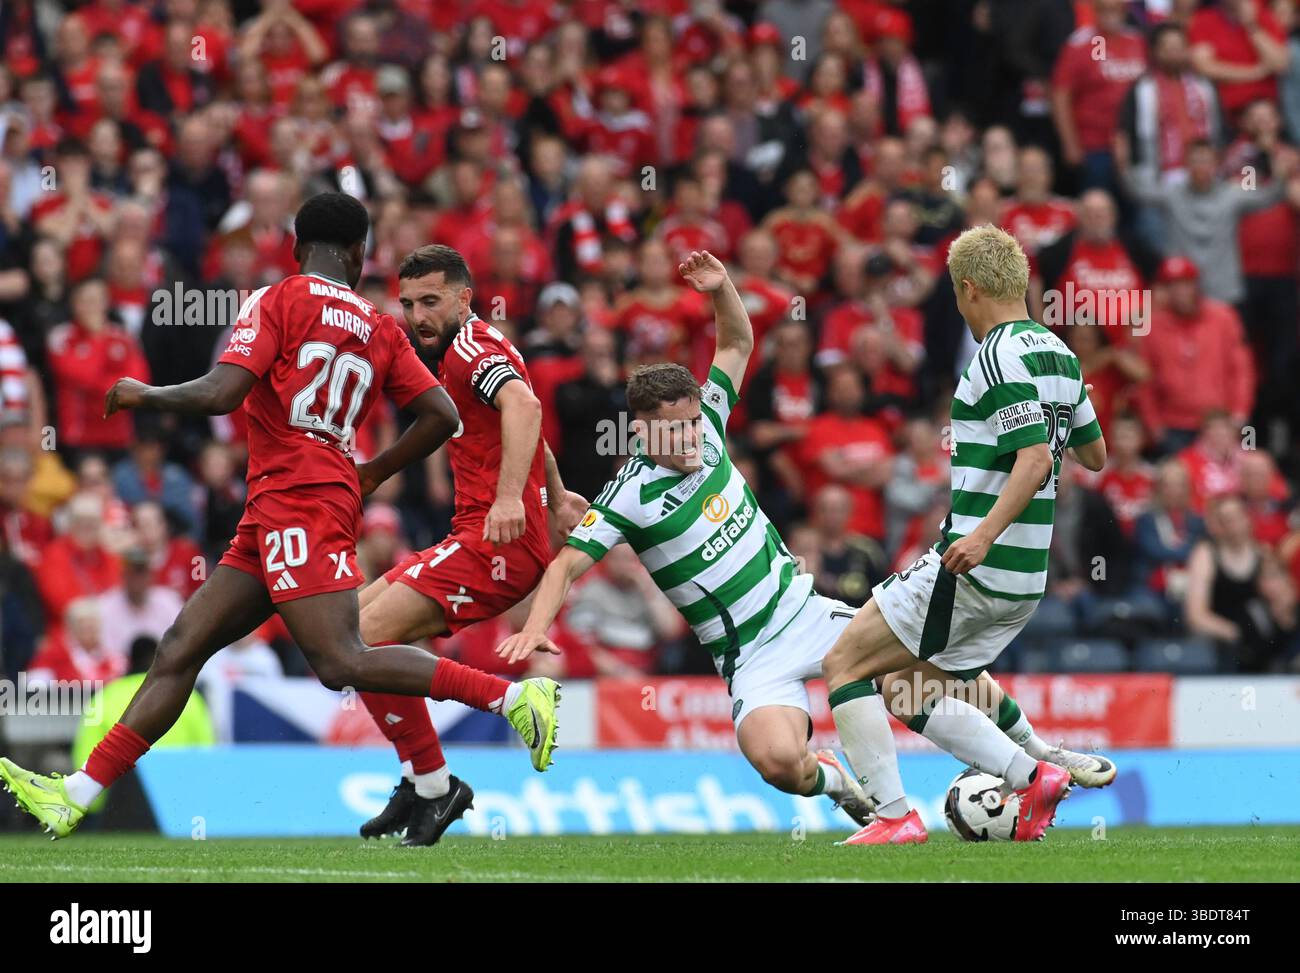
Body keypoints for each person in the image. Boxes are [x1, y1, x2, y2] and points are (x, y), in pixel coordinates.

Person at [496, 249, 1108, 842]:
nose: (688, 437)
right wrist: (537, 627)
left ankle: (1027, 761)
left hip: (805, 612)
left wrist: (722, 289)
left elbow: (736, 345)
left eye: (691, 421)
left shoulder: (709, 428)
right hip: (749, 656)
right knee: (778, 763)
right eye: (672, 429)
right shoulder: (627, 495)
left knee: (913, 673)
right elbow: (567, 564)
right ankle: (842, 784)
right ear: (640, 430)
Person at [0, 193, 558, 840]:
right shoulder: (378, 326)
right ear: (357, 253)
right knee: (183, 645)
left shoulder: (279, 299)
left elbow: (222, 392)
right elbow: (441, 414)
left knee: (342, 658)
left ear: (297, 247)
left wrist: (146, 393)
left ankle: (511, 698)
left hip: (298, 499)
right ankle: (75, 794)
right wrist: (373, 471)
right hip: (287, 503)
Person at [819, 225, 1113, 845]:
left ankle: (896, 818)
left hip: (978, 562)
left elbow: (1034, 458)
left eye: (955, 293)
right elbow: (1095, 455)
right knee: (908, 688)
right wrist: (1066, 408)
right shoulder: (1059, 354)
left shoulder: (997, 355)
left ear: (970, 289)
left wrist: (981, 536)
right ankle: (1037, 765)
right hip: (1024, 576)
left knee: (844, 663)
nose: (957, 304)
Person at [352, 244, 586, 846]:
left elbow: (525, 406)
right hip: (483, 536)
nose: (418, 316)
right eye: (409, 304)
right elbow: (522, 419)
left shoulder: (469, 350)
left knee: (359, 640)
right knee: (348, 636)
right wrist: (557, 495)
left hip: (496, 542)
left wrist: (511, 500)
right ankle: (429, 784)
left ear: (464, 298)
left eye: (431, 301)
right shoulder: (479, 345)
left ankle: (513, 699)